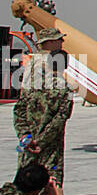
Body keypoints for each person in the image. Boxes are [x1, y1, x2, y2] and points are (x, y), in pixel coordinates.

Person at [13, 28, 74, 186]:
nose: (61, 42)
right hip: (48, 144)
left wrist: (25, 136)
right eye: (59, 40)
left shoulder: (32, 68)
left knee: (25, 181)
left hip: (30, 140)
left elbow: (19, 109)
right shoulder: (59, 82)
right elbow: (61, 117)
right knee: (51, 181)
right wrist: (41, 141)